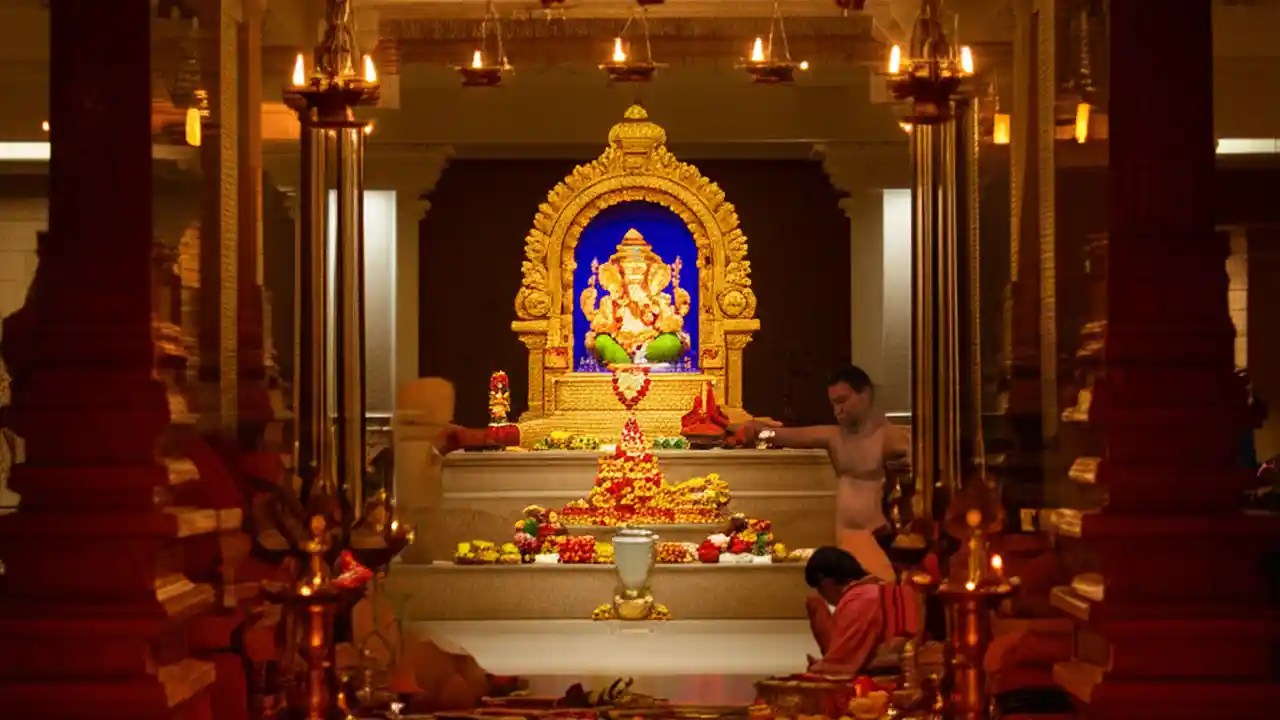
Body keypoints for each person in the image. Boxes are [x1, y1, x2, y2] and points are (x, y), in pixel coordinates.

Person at [738, 365, 910, 581]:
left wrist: (907, 465)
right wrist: (760, 430)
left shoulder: (889, 437)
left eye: (842, 401)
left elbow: (911, 466)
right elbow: (786, 436)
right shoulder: (835, 437)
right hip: (846, 538)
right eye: (833, 404)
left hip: (877, 538)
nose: (837, 410)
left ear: (865, 394)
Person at [803, 546, 890, 674]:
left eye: (820, 589)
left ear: (826, 583)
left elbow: (843, 662)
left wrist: (820, 667)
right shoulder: (876, 588)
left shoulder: (859, 600)